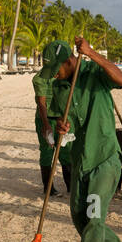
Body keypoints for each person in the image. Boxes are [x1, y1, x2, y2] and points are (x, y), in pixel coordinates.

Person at [48, 37, 122, 242]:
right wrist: (61, 127)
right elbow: (60, 122)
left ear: (69, 61)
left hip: (105, 160)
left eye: (57, 69)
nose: (54, 75)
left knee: (94, 217)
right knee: (79, 217)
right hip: (80, 160)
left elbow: (121, 79)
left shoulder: (95, 72)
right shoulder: (59, 87)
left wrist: (92, 53)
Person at [33, 47, 71, 196]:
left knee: (66, 152)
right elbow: (41, 103)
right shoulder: (39, 78)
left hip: (62, 118)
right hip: (45, 118)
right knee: (47, 152)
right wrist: (47, 126)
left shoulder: (63, 74)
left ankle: (70, 186)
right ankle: (48, 188)